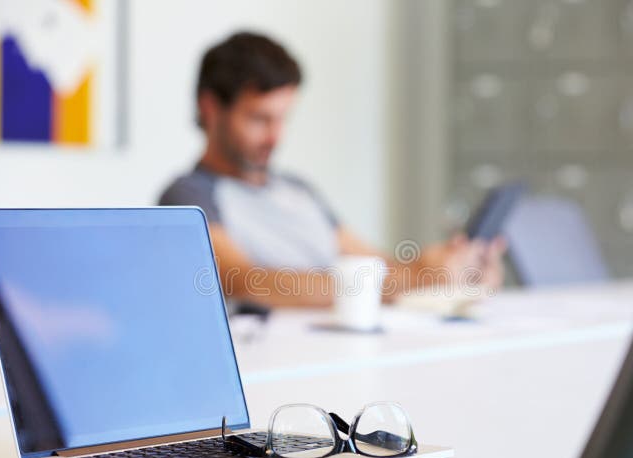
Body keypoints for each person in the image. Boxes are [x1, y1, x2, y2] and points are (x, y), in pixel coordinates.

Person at [159, 31, 505, 308]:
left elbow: (381, 267)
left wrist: (455, 272)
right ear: (210, 108)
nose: (275, 136)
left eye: (283, 118)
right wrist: (413, 278)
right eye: (259, 119)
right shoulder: (189, 194)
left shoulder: (298, 189)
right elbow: (245, 281)